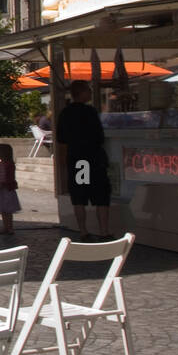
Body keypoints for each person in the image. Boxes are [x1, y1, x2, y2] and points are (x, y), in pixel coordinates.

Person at [57, 79, 113, 241]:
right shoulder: (90, 112)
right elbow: (99, 136)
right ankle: (104, 230)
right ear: (81, 93)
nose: (90, 93)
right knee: (101, 194)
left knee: (79, 196)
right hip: (94, 158)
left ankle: (83, 230)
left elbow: (62, 140)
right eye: (88, 90)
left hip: (78, 161)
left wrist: (64, 162)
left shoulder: (65, 113)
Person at [0, 142, 21, 235]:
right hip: (0, 189)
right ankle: (5, 226)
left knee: (8, 210)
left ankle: (10, 227)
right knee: (3, 210)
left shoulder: (9, 164)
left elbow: (10, 177)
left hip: (7, 189)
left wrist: (3, 184)